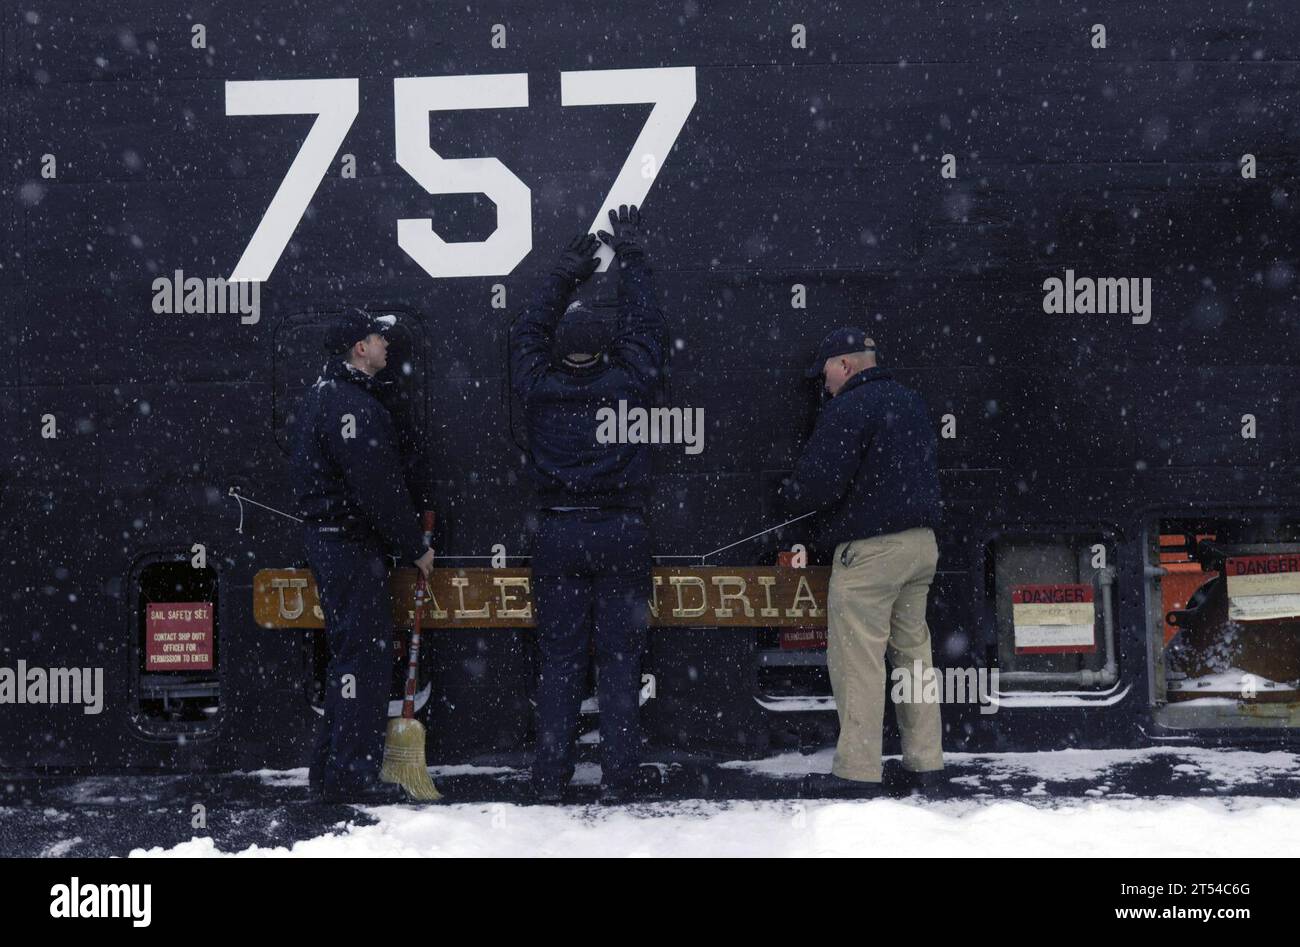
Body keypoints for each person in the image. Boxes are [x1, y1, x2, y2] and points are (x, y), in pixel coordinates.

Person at [509, 206, 668, 803]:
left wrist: (563, 275)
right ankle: (620, 778)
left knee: (560, 662)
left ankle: (549, 778)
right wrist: (632, 258)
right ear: (606, 346)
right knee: (621, 661)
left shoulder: (538, 387)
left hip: (557, 533)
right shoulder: (629, 381)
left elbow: (526, 332)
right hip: (622, 531)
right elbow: (645, 326)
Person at [778, 328, 944, 797]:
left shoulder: (848, 407)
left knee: (859, 662)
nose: (823, 383)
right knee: (915, 660)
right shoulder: (910, 401)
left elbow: (818, 485)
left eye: (826, 372)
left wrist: (786, 497)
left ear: (845, 366)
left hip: (872, 554)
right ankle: (925, 764)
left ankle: (857, 772)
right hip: (921, 547)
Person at [291, 308, 436, 804]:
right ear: (359, 348)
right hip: (349, 547)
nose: (385, 345)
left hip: (330, 543)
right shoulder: (352, 406)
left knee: (347, 658)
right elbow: (380, 489)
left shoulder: (320, 398)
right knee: (363, 660)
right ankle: (350, 777)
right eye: (378, 338)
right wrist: (415, 547)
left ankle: (329, 769)